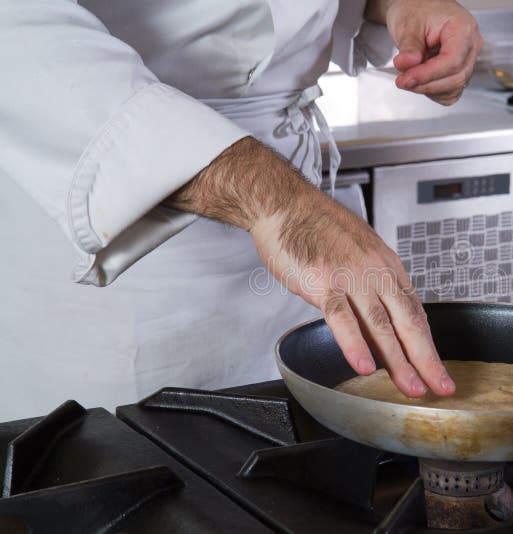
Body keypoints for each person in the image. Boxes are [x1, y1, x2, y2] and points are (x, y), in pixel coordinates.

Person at [0, 1, 483, 420]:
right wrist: (277, 204)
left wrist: (400, 4)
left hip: (296, 258)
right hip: (119, 258)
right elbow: (19, 38)